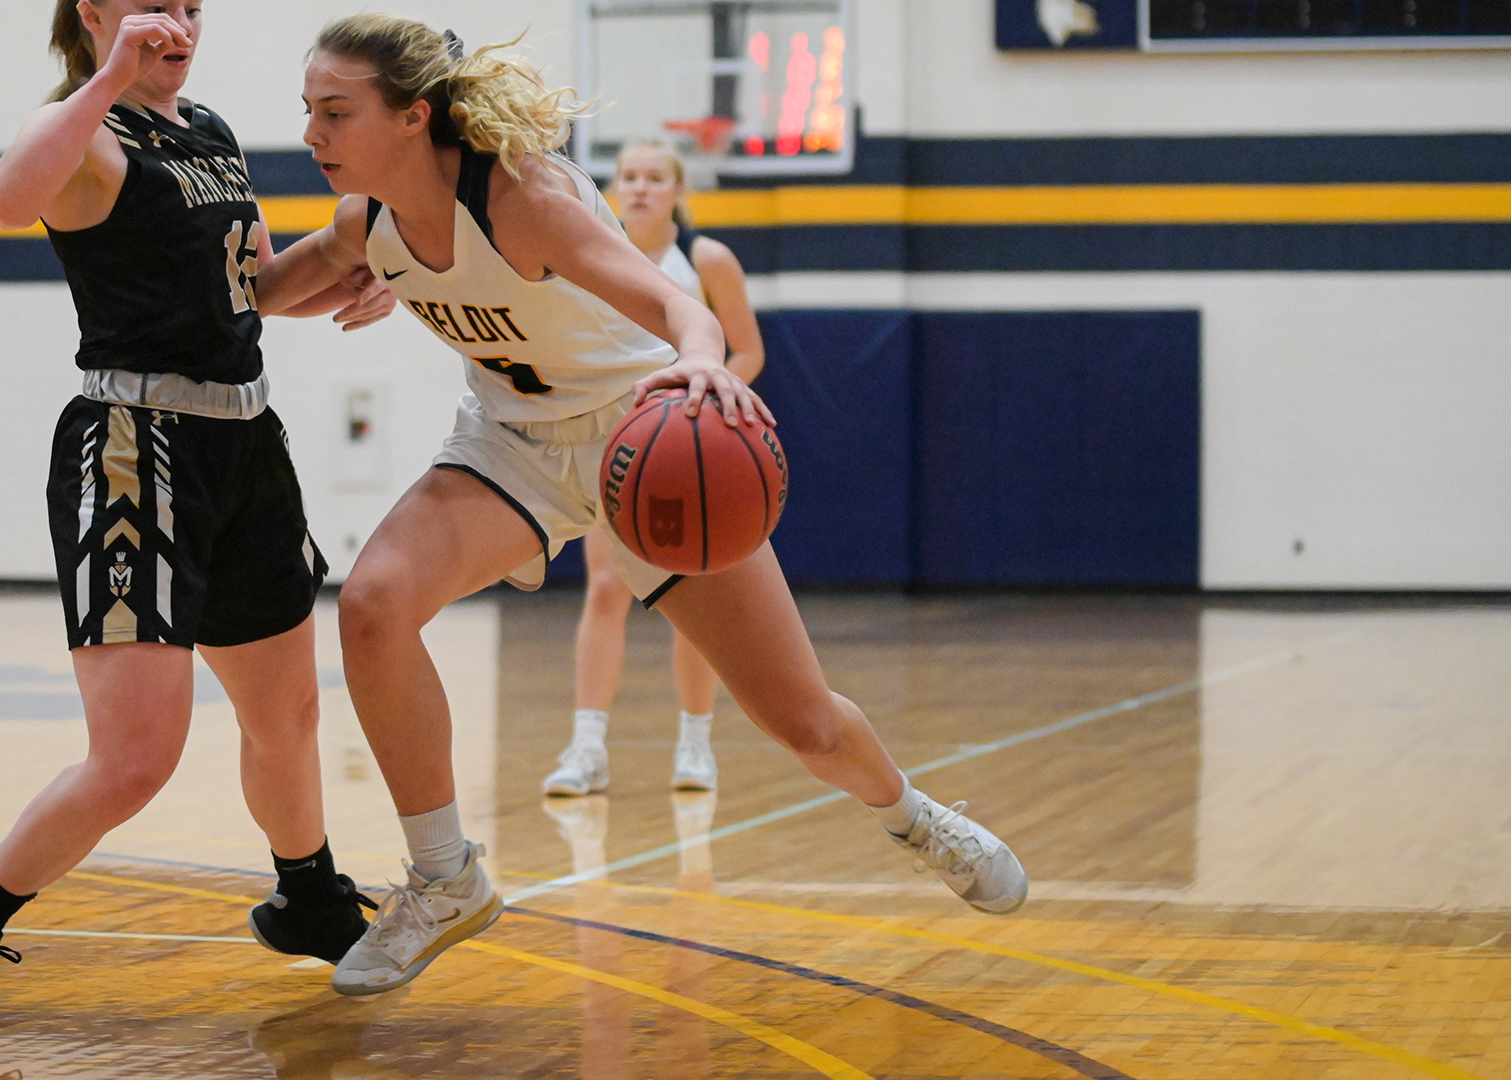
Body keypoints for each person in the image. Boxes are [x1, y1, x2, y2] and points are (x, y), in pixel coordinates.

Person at [255, 14, 1029, 999]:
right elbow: (269, 290)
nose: (313, 135)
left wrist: (702, 368)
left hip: (641, 435)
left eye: (334, 112)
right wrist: (184, 264)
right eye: (308, 113)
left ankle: (915, 816)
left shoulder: (525, 199)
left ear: (413, 117)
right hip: (511, 447)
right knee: (372, 607)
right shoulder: (368, 223)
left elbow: (678, 313)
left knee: (802, 723)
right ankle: (446, 880)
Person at [0, 0, 394, 1022]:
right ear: (94, 12)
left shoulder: (206, 131)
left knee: (286, 713)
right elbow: (1, 194)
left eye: (191, 5)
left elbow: (255, 288)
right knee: (136, 759)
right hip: (134, 447)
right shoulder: (85, 134)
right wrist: (107, 77)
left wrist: (359, 263)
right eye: (150, 3)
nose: (175, 21)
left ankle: (305, 895)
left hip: (245, 443)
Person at [543, 140, 766, 798]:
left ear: (676, 189)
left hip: (690, 443)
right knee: (606, 587)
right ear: (613, 186)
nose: (640, 188)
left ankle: (695, 745)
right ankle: (587, 748)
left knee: (692, 596)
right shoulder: (592, 249)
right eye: (629, 176)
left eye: (654, 177)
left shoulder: (705, 258)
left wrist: (696, 400)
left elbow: (748, 349)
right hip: (614, 444)